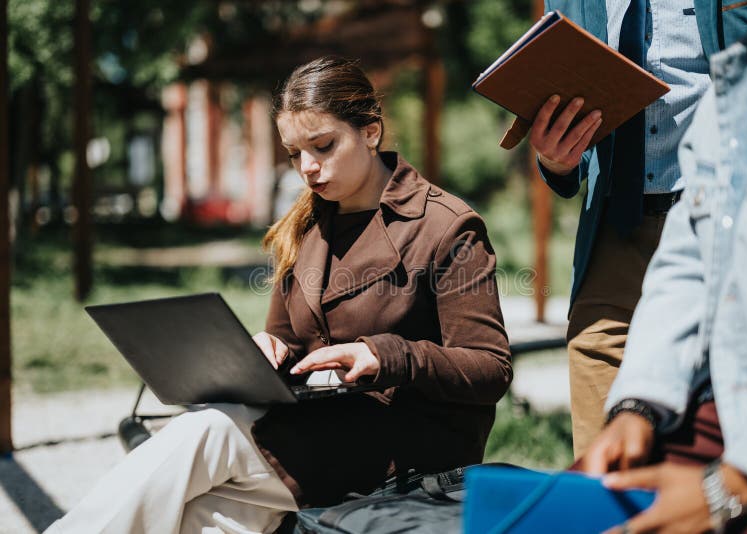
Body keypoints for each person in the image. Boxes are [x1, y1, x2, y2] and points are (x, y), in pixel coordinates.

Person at [46, 56, 512, 534]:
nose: (307, 168)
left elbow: (490, 367)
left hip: (403, 449)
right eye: (293, 153)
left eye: (323, 146)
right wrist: (271, 348)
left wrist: (384, 355)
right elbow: (287, 334)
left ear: (370, 131)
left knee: (208, 429)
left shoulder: (447, 226)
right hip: (317, 433)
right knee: (197, 516)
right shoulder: (308, 223)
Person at [508, 0, 747, 457]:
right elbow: (567, 107)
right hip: (616, 222)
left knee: (727, 403)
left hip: (726, 219)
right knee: (594, 356)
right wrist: (554, 160)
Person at [578, 3, 747, 531]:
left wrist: (739, 485)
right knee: (587, 508)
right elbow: (695, 254)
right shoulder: (743, 72)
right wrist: (639, 406)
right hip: (730, 407)